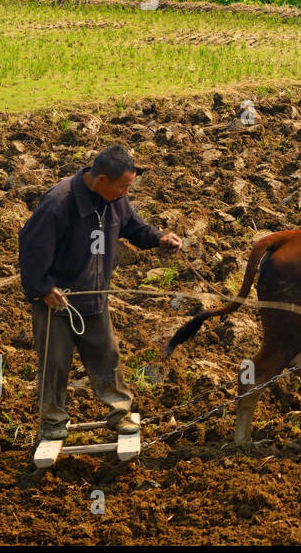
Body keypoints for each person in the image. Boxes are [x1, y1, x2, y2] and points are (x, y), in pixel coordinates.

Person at [18, 144, 182, 441]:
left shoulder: (115, 200)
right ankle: (52, 421)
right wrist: (43, 289)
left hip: (94, 296)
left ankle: (119, 413)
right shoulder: (59, 202)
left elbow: (134, 227)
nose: (126, 192)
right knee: (54, 361)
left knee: (107, 355)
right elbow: (31, 247)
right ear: (102, 180)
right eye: (124, 186)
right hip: (58, 302)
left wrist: (159, 238)